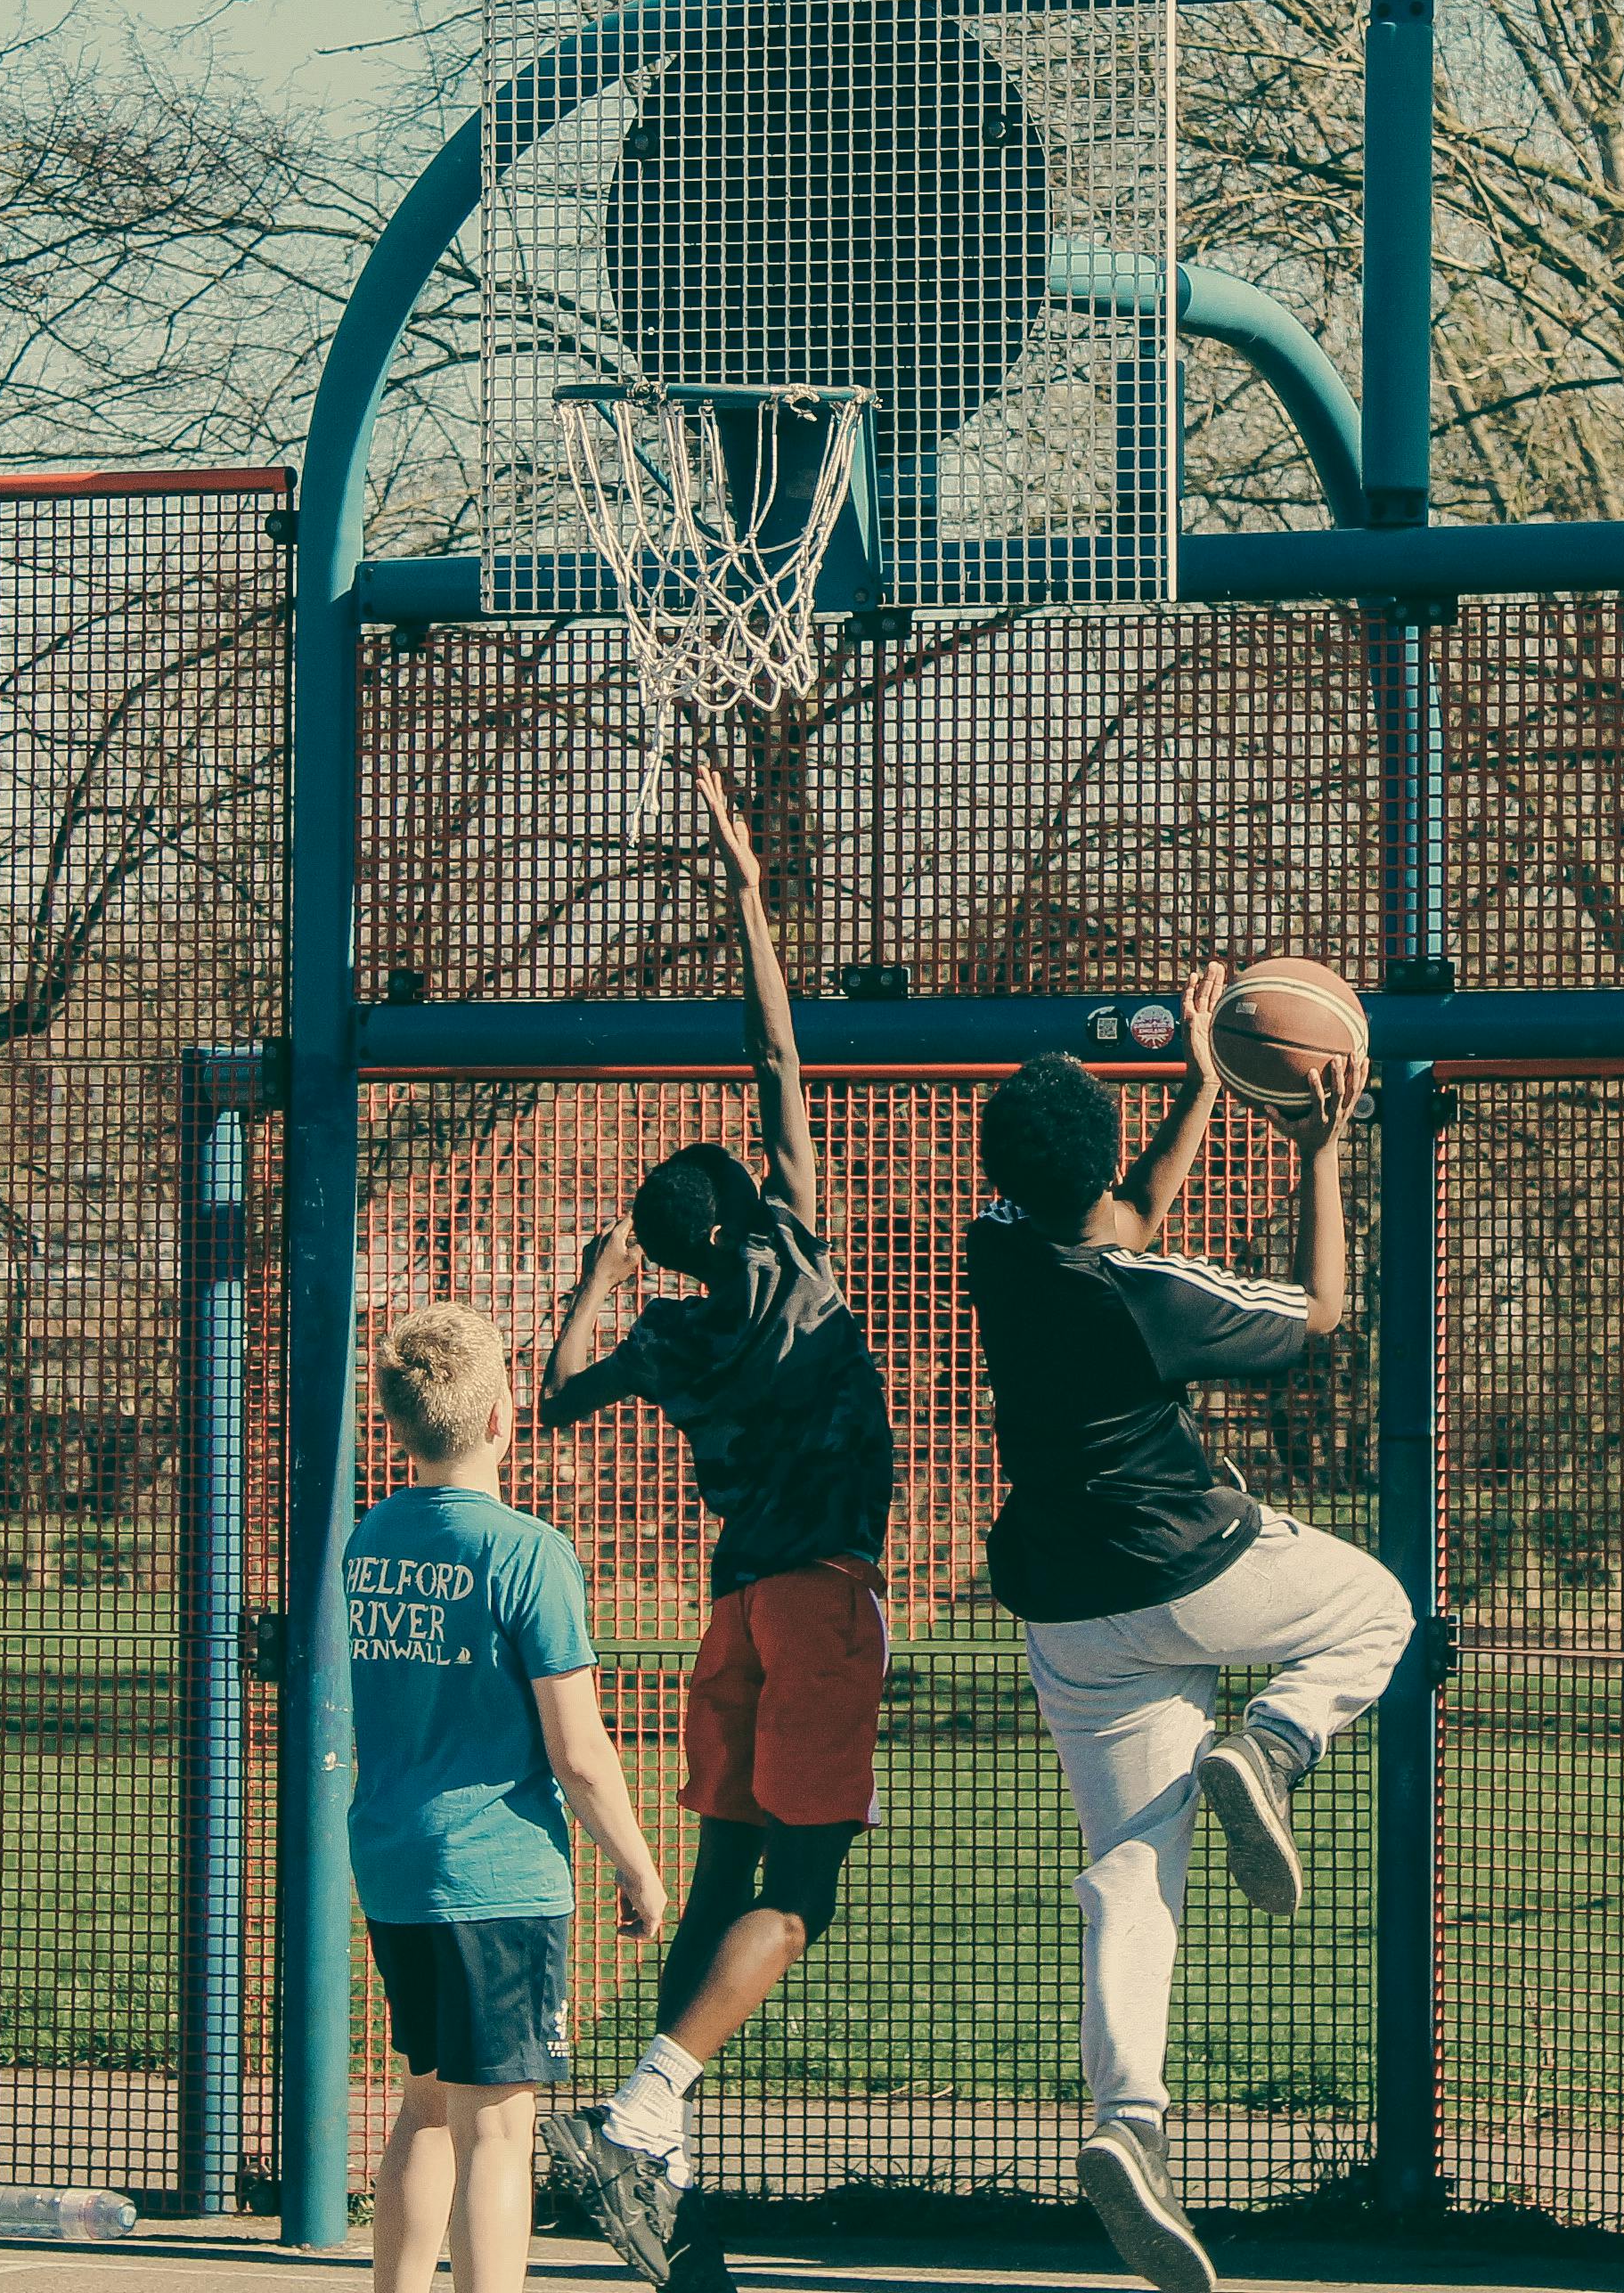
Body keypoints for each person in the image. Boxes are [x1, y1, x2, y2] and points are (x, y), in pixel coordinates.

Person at [963, 988, 1408, 2293]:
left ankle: (1132, 2121)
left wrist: (1207, 1079)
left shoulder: (993, 1243)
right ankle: (1270, 1745)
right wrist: (1323, 1149)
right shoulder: (1143, 1292)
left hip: (1064, 1607)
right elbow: (1322, 1314)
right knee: (1378, 1607)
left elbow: (1119, 1206)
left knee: (1130, 1870)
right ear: (1099, 1168)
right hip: (1184, 1565)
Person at [538, 762, 899, 2292]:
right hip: (817, 1605)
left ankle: (651, 2141)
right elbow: (775, 1055)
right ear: (742, 1206)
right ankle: (643, 2112)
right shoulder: (793, 1251)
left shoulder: (672, 1336)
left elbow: (552, 1395)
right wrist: (749, 894)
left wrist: (595, 1268)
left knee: (724, 1877)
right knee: (798, 1898)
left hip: (731, 1618)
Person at [347, 1301, 671, 2293]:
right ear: (502, 1419)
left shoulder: (369, 1537)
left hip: (394, 1859)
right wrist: (641, 1870)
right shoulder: (529, 1551)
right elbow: (578, 1750)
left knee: (427, 2100)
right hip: (496, 1871)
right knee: (498, 2123)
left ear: (399, 1424)